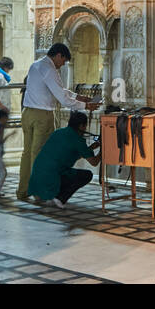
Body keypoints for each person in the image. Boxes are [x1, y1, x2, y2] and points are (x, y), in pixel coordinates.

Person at [16, 43, 99, 201]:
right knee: (39, 155)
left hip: (28, 113)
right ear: (59, 55)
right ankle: (39, 193)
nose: (62, 65)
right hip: (42, 116)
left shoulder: (36, 65)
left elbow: (56, 90)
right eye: (64, 61)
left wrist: (78, 97)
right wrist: (86, 105)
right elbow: (62, 98)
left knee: (27, 154)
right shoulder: (49, 69)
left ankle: (23, 191)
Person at [26, 111, 101, 208]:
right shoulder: (78, 140)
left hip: (36, 183)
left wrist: (92, 147)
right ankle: (60, 198)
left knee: (64, 172)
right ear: (82, 126)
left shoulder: (58, 133)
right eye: (85, 126)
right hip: (50, 180)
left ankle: (51, 196)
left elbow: (74, 153)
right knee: (86, 175)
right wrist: (102, 151)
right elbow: (94, 162)